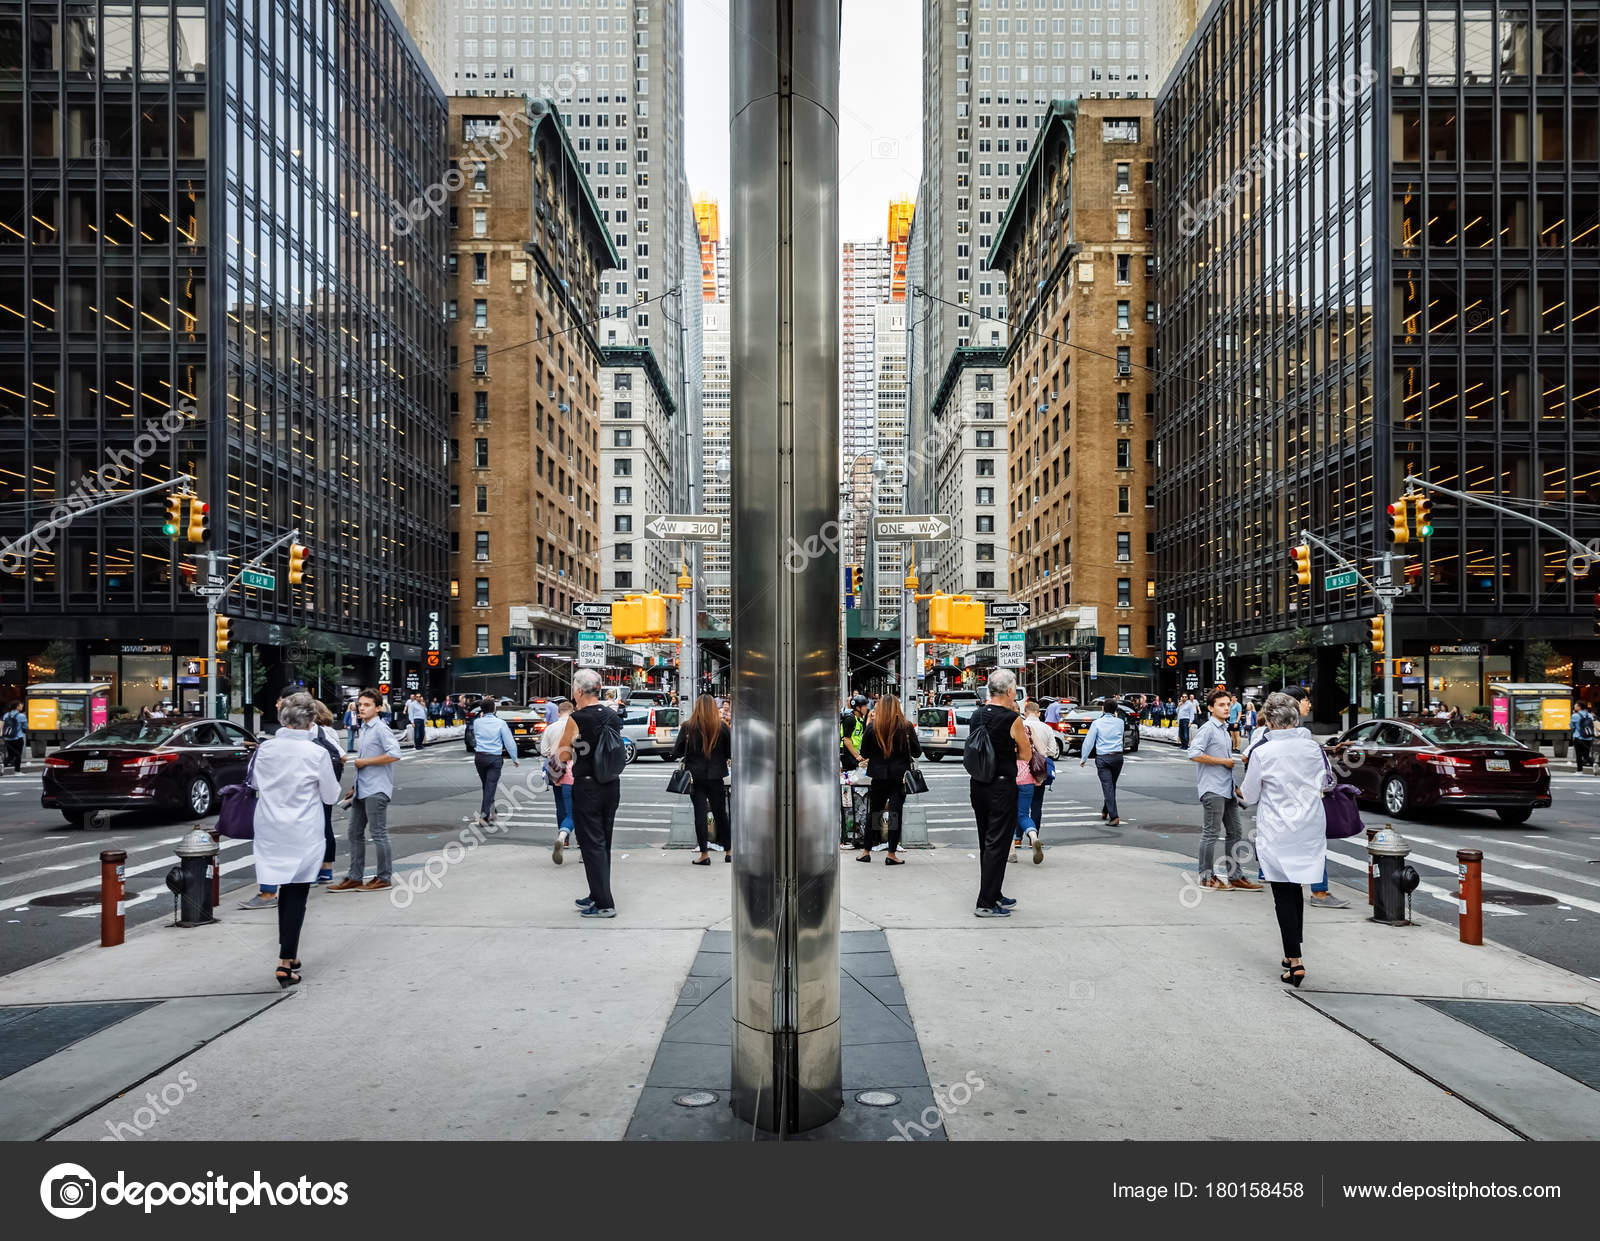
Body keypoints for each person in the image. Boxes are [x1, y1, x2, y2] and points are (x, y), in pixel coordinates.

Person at [1237, 693, 1330, 988]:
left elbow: (1249, 795)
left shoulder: (1263, 754)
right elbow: (1327, 782)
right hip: (1309, 827)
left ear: (1270, 722)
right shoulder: (1314, 749)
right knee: (1297, 888)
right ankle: (1293, 953)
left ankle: (1295, 958)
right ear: (1295, 719)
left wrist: (1237, 793)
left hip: (1277, 829)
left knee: (1283, 894)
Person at [250, 696, 340, 988]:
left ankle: (288, 953)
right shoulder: (315, 753)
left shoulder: (265, 749)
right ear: (311, 721)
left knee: (280, 886)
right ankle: (285, 960)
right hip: (302, 828)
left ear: (283, 720)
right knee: (296, 892)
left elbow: (253, 783)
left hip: (270, 826)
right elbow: (331, 795)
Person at [561, 668, 625, 918]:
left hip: (588, 787)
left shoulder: (577, 719)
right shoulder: (612, 715)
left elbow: (563, 754)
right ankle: (596, 893)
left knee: (591, 844)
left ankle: (605, 903)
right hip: (611, 784)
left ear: (578, 691)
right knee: (602, 842)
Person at [968, 668, 1031, 917]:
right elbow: (1026, 754)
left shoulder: (977, 715)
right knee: (999, 843)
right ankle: (985, 902)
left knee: (987, 842)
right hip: (1002, 787)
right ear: (1009, 691)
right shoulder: (1011, 719)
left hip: (978, 784)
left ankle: (994, 892)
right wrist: (1010, 751)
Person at [327, 688, 401, 892]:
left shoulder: (380, 728)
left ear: (378, 708)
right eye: (360, 704)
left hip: (377, 789)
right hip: (362, 789)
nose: (362, 708)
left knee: (378, 833)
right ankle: (355, 876)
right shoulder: (365, 727)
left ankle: (384, 877)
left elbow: (395, 754)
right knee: (354, 832)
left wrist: (365, 762)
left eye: (367, 705)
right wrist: (354, 786)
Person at [1188, 687, 1261, 891]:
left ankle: (1235, 876)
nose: (1226, 708)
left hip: (1226, 789)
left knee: (1236, 832)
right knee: (1211, 833)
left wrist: (1236, 788)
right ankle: (1206, 877)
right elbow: (1193, 753)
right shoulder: (1208, 729)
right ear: (1211, 708)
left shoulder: (1224, 728)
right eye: (1221, 705)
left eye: (1228, 704)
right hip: (1212, 789)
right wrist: (1223, 762)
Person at [856, 693, 921, 865]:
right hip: (899, 778)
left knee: (874, 812)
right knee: (895, 813)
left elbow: (864, 753)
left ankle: (866, 851)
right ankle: (891, 854)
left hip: (878, 776)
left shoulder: (873, 727)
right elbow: (917, 752)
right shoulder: (906, 726)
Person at [674, 694, 733, 865]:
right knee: (720, 813)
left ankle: (704, 854)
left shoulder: (688, 727)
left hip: (695, 777)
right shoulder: (722, 727)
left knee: (700, 814)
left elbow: (677, 752)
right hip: (716, 776)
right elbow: (730, 752)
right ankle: (728, 851)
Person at [309, 700, 346, 884]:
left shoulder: (314, 732)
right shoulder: (330, 732)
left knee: (314, 826)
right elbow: (342, 757)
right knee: (326, 824)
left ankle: (313, 870)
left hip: (315, 782)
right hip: (330, 780)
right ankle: (326, 870)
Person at [1014, 700, 1054, 865]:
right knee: (1026, 812)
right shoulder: (1028, 730)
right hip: (1028, 776)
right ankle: (1033, 836)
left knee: (1011, 813)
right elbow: (1044, 752)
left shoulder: (1009, 729)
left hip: (1010, 776)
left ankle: (1013, 844)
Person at [469, 697, 520, 825]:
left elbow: (474, 737)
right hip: (494, 758)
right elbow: (509, 742)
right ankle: (484, 816)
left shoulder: (477, 723)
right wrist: (514, 758)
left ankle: (493, 811)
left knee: (486, 786)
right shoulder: (501, 723)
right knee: (490, 786)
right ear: (494, 709)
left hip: (480, 757)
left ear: (482, 710)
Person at [1080, 696, 1127, 826]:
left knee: (1108, 786)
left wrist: (1084, 758)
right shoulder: (1120, 722)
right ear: (1115, 710)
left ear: (1102, 709)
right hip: (1118, 757)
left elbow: (1089, 742)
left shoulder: (1097, 723)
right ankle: (1106, 810)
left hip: (1103, 758)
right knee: (1111, 785)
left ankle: (1114, 816)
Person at [543, 699, 576, 862]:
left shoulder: (550, 728)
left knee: (560, 805)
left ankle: (564, 839)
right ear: (572, 711)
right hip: (574, 772)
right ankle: (582, 846)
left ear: (558, 713)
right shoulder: (576, 726)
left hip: (556, 770)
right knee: (579, 811)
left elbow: (544, 751)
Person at [839, 694, 870, 846]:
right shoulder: (851, 719)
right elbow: (846, 739)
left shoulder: (859, 719)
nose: (866, 708)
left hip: (853, 756)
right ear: (857, 707)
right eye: (864, 706)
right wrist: (857, 756)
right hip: (848, 757)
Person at [1, 701, 26, 775]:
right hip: (18, 738)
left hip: (8, 738)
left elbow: (3, 724)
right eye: (21, 705)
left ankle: (2, 766)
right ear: (17, 706)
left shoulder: (6, 715)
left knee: (11, 755)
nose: (22, 707)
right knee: (18, 755)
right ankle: (17, 771)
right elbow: (25, 726)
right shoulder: (21, 716)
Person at [1573, 701, 1595, 774]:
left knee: (1578, 755)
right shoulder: (1590, 715)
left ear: (1579, 707)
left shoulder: (1575, 716)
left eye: (1575, 705)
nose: (1574, 706)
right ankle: (1594, 764)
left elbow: (1571, 726)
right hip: (1588, 738)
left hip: (1578, 737)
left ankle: (1579, 771)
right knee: (1586, 754)